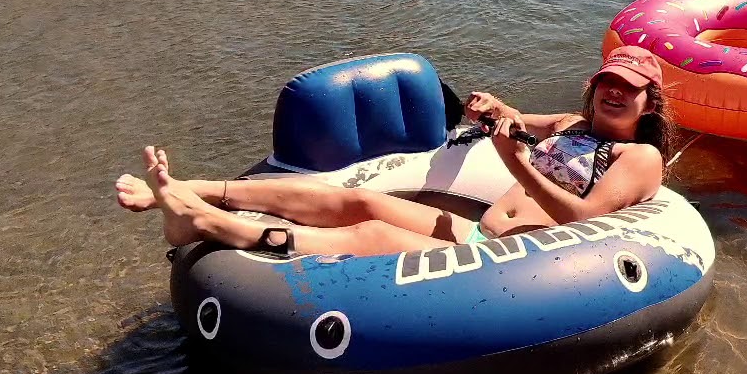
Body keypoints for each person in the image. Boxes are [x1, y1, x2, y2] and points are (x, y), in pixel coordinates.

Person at [116, 46, 672, 256]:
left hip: (522, 258)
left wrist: (517, 164)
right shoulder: (574, 123)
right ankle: (191, 192)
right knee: (360, 201)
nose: (614, 92)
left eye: (628, 88)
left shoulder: (639, 159)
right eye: (608, 81)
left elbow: (583, 218)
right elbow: (518, 119)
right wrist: (495, 108)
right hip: (482, 232)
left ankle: (217, 227)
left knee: (375, 235)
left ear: (650, 104)